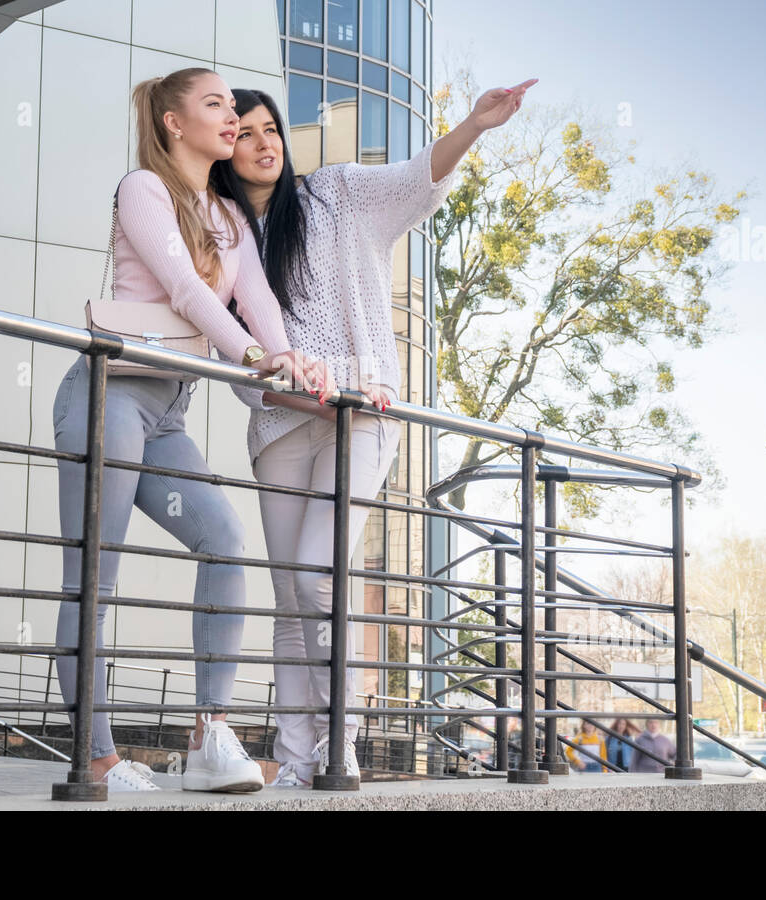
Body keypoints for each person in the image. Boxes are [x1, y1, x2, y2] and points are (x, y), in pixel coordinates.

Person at [211, 78, 536, 787]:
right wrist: (294, 394)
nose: (264, 144)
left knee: (319, 577)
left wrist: (475, 126)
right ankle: (295, 764)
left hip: (362, 414)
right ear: (223, 151)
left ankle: (341, 746)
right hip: (279, 423)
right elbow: (229, 350)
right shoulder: (224, 236)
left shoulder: (335, 193)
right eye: (245, 134)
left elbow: (417, 178)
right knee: (292, 598)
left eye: (271, 130)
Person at [51, 68, 333, 793]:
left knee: (223, 538)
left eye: (234, 106)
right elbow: (181, 286)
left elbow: (258, 301)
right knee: (97, 574)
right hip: (109, 392)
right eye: (216, 105)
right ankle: (98, 757)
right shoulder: (143, 188)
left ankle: (211, 734)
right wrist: (252, 355)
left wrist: (292, 360)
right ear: (175, 124)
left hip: (168, 409)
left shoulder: (230, 218)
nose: (233, 116)